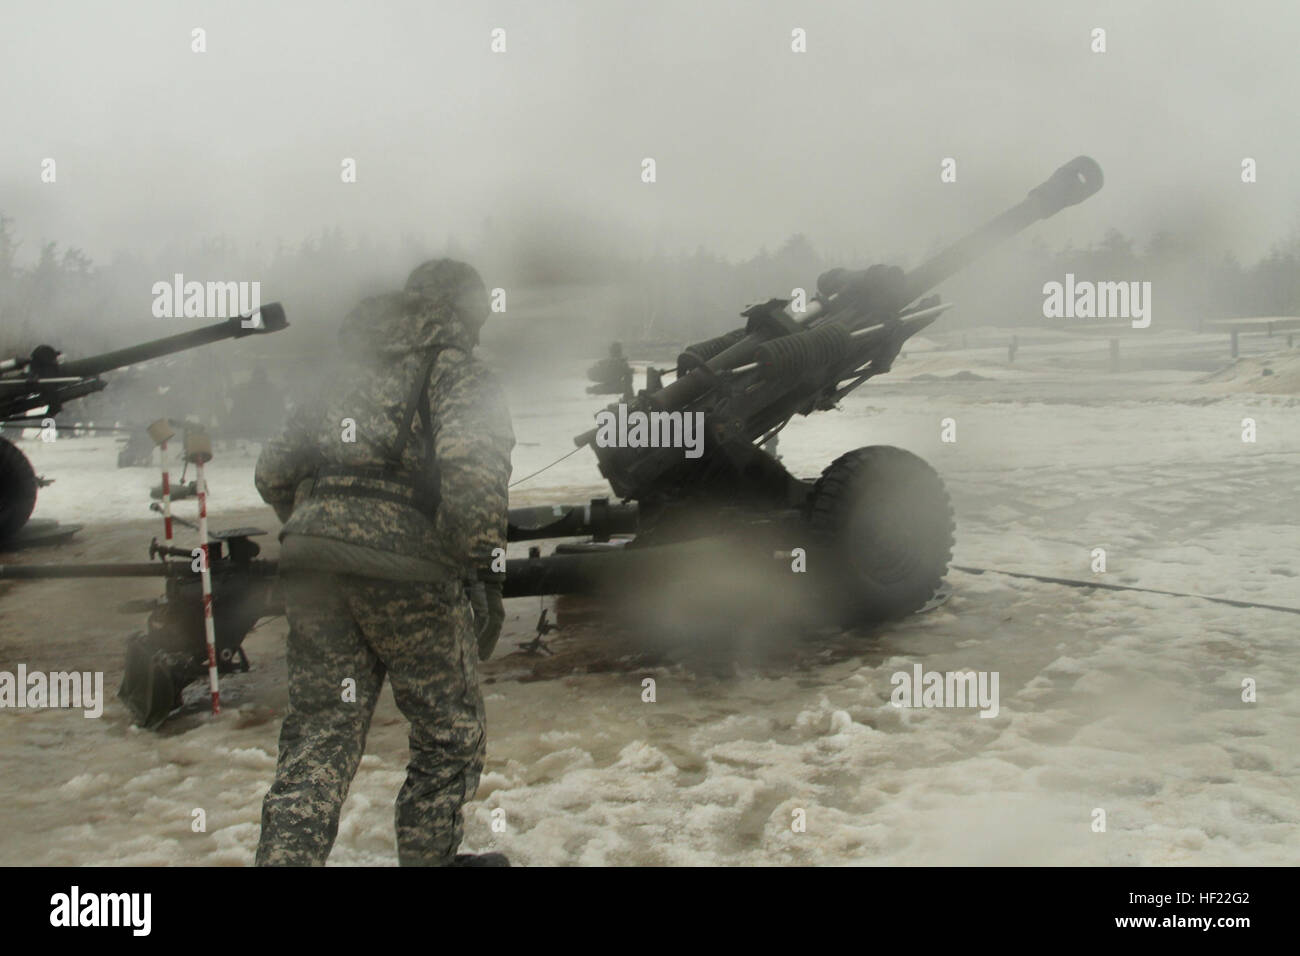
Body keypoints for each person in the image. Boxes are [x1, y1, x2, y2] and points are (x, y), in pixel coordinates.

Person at [252, 259, 514, 866]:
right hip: (408, 573)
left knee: (320, 735)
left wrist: (327, 526)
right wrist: (481, 569)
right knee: (449, 736)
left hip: (313, 565)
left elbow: (271, 472)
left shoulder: (340, 374)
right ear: (461, 312)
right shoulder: (459, 372)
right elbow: (475, 489)